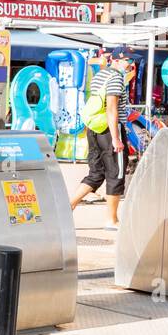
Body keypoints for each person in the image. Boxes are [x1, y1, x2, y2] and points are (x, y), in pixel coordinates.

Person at [70, 50, 132, 230]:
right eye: (128, 60)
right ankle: (111, 220)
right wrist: (116, 138)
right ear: (118, 60)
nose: (130, 64)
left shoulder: (100, 75)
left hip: (94, 129)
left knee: (96, 173)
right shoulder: (116, 77)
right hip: (109, 130)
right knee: (116, 172)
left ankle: (70, 205)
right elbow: (111, 108)